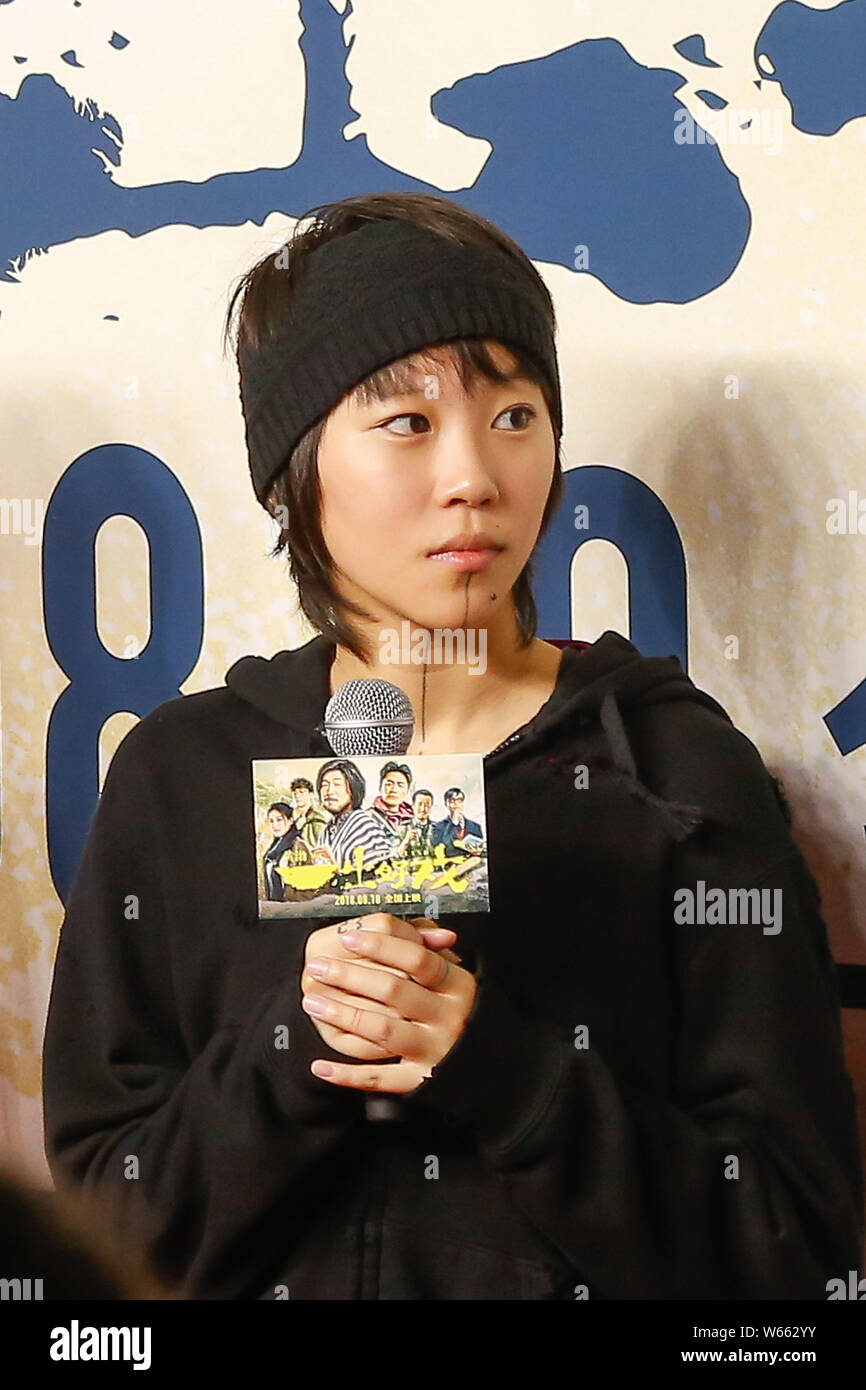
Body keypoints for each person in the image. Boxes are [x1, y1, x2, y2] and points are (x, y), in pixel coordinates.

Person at [42, 190, 863, 1301]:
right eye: (406, 423)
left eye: (512, 415)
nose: (474, 475)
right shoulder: (178, 779)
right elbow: (102, 1239)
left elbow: (792, 1253)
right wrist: (301, 1045)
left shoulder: (673, 772)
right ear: (297, 466)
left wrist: (509, 1074)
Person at [262, 801, 299, 901]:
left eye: (279, 820)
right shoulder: (274, 847)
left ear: (290, 821)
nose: (275, 825)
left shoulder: (297, 845)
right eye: (272, 821)